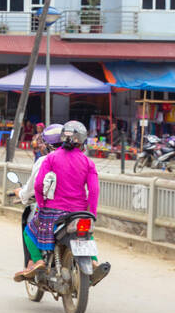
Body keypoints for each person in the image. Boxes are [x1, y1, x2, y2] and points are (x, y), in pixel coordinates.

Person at [15, 120, 108, 285]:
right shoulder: (88, 163)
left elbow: (38, 185)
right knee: (87, 235)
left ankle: (39, 261)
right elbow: (94, 191)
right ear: (83, 141)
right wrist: (91, 213)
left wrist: (42, 205)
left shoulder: (50, 158)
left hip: (53, 212)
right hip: (79, 213)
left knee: (29, 233)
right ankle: (93, 262)